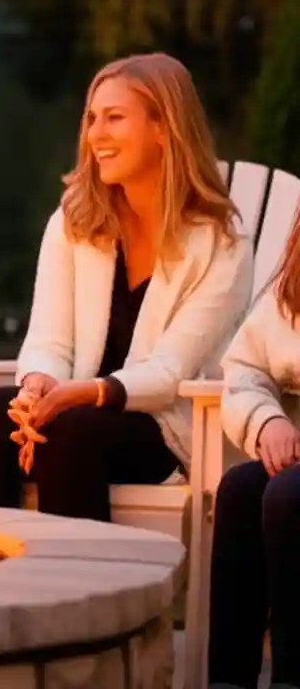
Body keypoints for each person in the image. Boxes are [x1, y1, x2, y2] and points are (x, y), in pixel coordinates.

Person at [0, 52, 253, 522]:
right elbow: (48, 340)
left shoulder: (221, 246)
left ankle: (79, 590)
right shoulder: (76, 221)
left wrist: (77, 395)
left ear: (163, 128)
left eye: (114, 118)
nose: (96, 135)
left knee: (75, 432)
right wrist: (36, 388)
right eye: (92, 119)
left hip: (162, 427)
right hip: (72, 411)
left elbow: (170, 372)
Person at [208, 224, 300, 687]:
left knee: (288, 494)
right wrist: (268, 420)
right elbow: (245, 369)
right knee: (241, 488)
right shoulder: (289, 296)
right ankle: (228, 678)